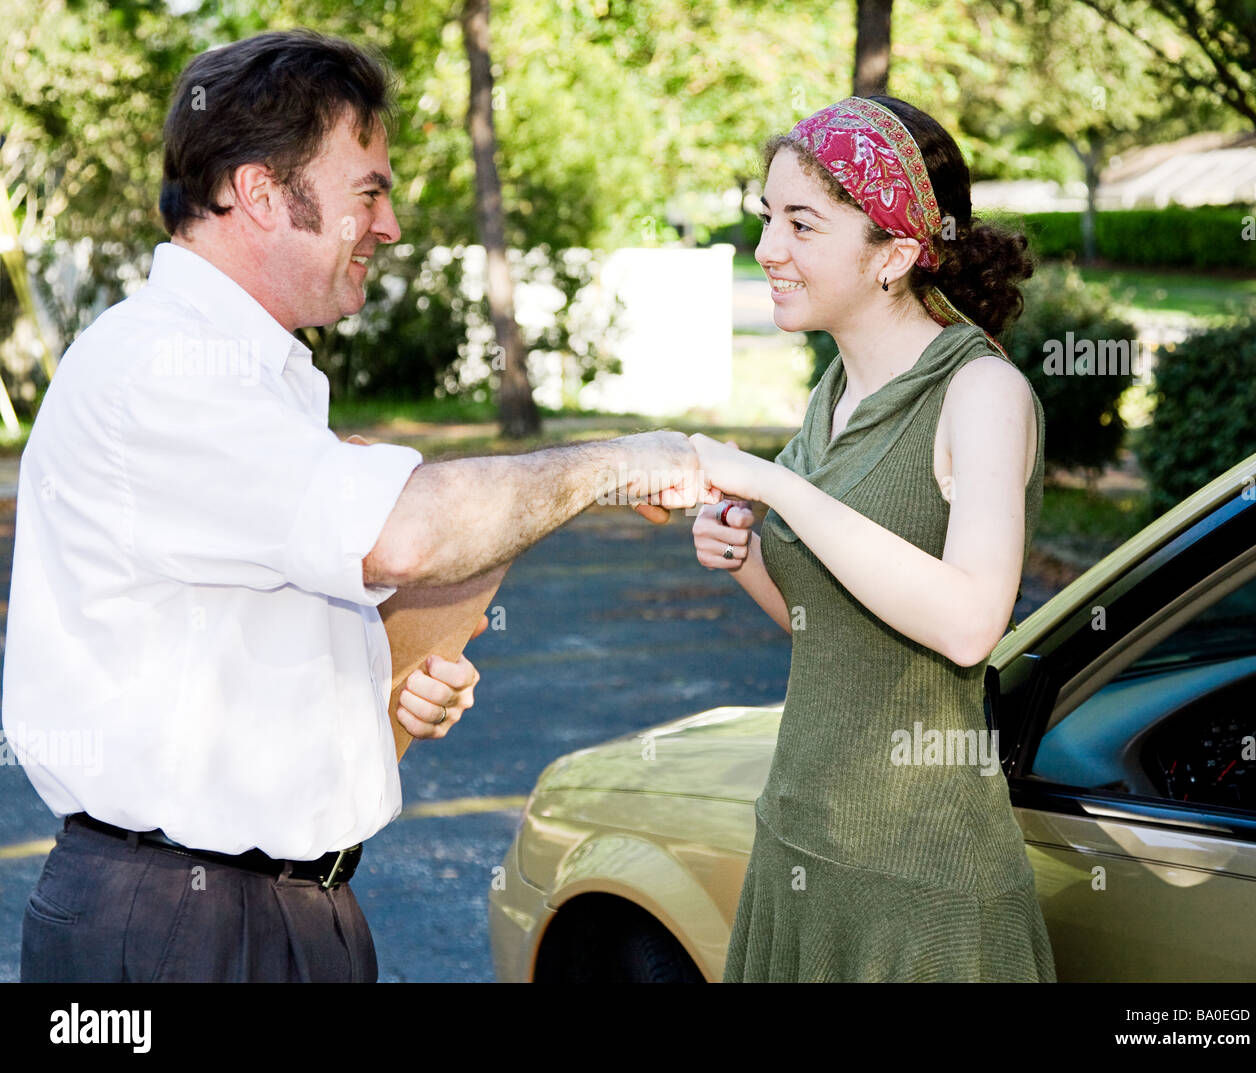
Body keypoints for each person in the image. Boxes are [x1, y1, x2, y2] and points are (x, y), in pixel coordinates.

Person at [2, 29, 709, 983]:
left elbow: (309, 612)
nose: (390, 225)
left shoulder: (261, 380)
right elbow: (407, 533)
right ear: (259, 194)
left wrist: (396, 675)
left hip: (290, 915)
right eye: (368, 191)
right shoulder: (164, 367)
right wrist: (621, 461)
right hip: (184, 928)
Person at [687, 96, 1055, 982]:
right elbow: (839, 634)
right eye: (767, 217)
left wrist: (774, 487)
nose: (768, 249)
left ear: (892, 253)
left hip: (923, 888)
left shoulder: (980, 394)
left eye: (801, 224)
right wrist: (745, 556)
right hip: (802, 848)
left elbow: (969, 622)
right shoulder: (831, 395)